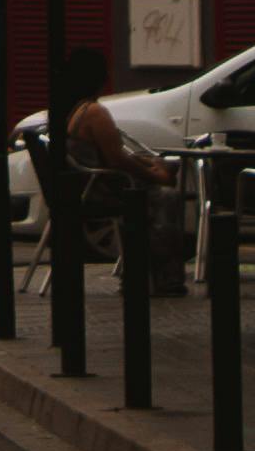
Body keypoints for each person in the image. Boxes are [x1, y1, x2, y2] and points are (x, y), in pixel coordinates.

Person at [60, 45, 184, 294]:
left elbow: (116, 156)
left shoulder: (73, 111)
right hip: (106, 190)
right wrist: (156, 174)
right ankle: (163, 277)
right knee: (167, 198)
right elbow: (117, 160)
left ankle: (144, 273)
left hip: (94, 186)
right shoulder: (94, 112)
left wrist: (147, 164)